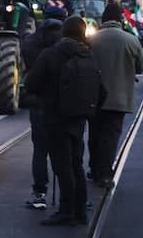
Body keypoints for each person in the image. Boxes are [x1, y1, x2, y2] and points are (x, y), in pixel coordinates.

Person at [26, 16, 106, 226]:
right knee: (76, 164)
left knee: (62, 167)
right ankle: (80, 211)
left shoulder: (50, 55)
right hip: (79, 119)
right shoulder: (87, 55)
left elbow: (31, 83)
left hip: (55, 117)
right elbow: (101, 90)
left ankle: (66, 210)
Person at [88, 3, 143, 188]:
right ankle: (104, 174)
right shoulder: (131, 40)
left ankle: (94, 168)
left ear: (103, 20)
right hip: (118, 98)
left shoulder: (91, 39)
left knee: (94, 134)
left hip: (93, 97)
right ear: (121, 20)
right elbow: (141, 67)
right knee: (110, 136)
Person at [20, 5, 66, 209]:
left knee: (40, 149)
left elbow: (30, 76)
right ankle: (69, 193)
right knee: (67, 150)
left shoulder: (30, 42)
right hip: (65, 104)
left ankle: (39, 192)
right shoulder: (69, 45)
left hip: (39, 104)